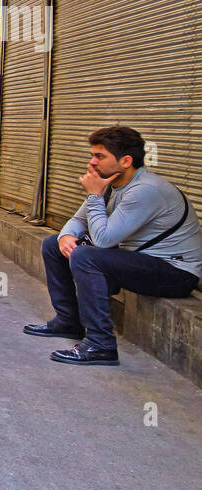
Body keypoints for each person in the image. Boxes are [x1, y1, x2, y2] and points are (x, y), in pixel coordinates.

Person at [25, 126, 201, 366]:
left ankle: (100, 345)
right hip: (139, 260)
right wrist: (65, 236)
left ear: (126, 161)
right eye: (92, 155)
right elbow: (79, 220)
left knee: (86, 256)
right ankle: (68, 321)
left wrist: (95, 195)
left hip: (175, 272)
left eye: (100, 156)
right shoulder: (112, 184)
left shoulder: (145, 190)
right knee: (52, 244)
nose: (92, 162)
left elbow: (104, 240)